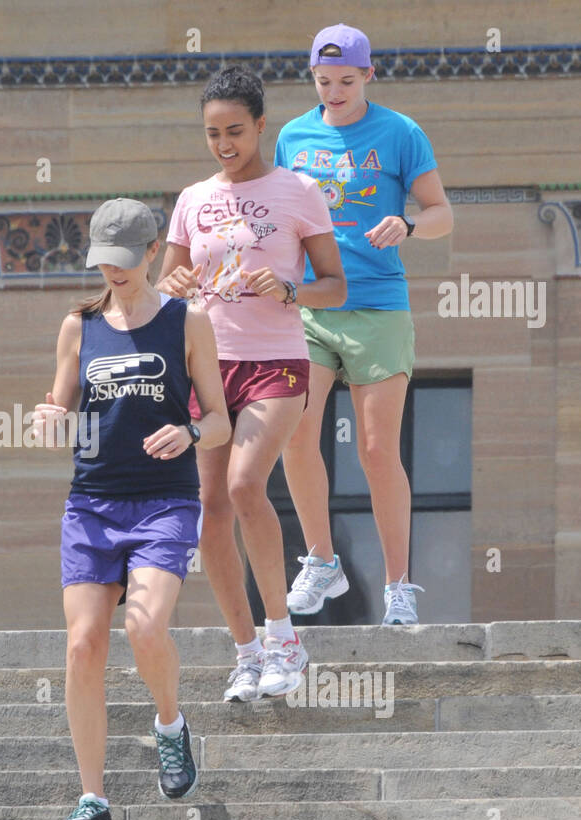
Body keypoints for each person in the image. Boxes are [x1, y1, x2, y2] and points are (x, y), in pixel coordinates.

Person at [33, 197, 230, 820]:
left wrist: (191, 432)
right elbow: (57, 403)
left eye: (125, 261)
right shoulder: (77, 325)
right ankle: (93, 799)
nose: (113, 273)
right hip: (92, 502)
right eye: (102, 262)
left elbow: (221, 417)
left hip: (165, 500)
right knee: (84, 644)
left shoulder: (186, 320)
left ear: (152, 253)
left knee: (145, 628)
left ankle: (170, 724)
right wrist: (46, 418)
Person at [156, 66, 345, 703]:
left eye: (235, 131)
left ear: (261, 126)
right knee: (208, 510)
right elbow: (163, 286)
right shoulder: (191, 200)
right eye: (212, 134)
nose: (224, 144)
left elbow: (334, 285)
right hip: (207, 369)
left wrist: (291, 290)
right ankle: (245, 652)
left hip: (277, 365)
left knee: (244, 485)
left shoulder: (298, 191)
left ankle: (284, 635)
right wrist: (172, 287)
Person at [276, 23, 454, 625]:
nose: (335, 92)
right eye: (324, 81)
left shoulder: (401, 133)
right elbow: (280, 220)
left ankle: (399, 586)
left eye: (347, 81)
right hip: (308, 305)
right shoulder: (293, 136)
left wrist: (407, 223)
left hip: (378, 303)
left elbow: (441, 214)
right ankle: (321, 562)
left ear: (368, 76)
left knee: (377, 450)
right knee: (294, 433)